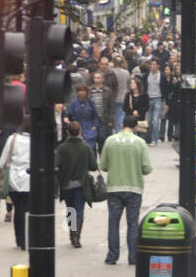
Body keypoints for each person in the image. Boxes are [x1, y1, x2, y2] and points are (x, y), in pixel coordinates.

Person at [99, 114, 152, 265]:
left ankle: (112, 256)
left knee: (113, 224)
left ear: (122, 124)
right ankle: (133, 257)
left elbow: (103, 166)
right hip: (134, 188)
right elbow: (147, 168)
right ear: (135, 127)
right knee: (133, 224)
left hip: (114, 188)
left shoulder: (110, 140)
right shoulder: (140, 143)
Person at [54, 120, 97, 248]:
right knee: (79, 210)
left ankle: (72, 233)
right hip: (81, 184)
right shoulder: (85, 147)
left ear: (67, 132)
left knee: (70, 209)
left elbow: (55, 165)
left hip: (66, 185)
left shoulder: (62, 148)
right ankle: (76, 237)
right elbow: (94, 166)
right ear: (79, 132)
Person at [0, 118, 32, 250]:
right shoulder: (36, 140)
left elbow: (2, 161)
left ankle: (20, 239)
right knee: (29, 209)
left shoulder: (12, 139)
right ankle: (29, 237)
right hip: (30, 180)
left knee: (18, 209)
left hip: (13, 180)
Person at [65, 84, 102, 152]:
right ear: (77, 92)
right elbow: (69, 115)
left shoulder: (91, 102)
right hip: (78, 131)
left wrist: (95, 126)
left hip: (90, 130)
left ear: (86, 92)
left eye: (83, 90)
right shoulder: (73, 103)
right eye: (80, 91)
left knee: (91, 150)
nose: (82, 92)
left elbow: (96, 116)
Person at [143, 59, 164, 145]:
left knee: (155, 120)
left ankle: (154, 139)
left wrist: (164, 101)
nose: (152, 66)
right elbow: (144, 86)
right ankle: (148, 138)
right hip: (149, 99)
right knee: (148, 120)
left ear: (158, 66)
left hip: (158, 99)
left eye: (154, 64)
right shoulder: (147, 75)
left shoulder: (161, 75)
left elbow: (165, 88)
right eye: (151, 64)